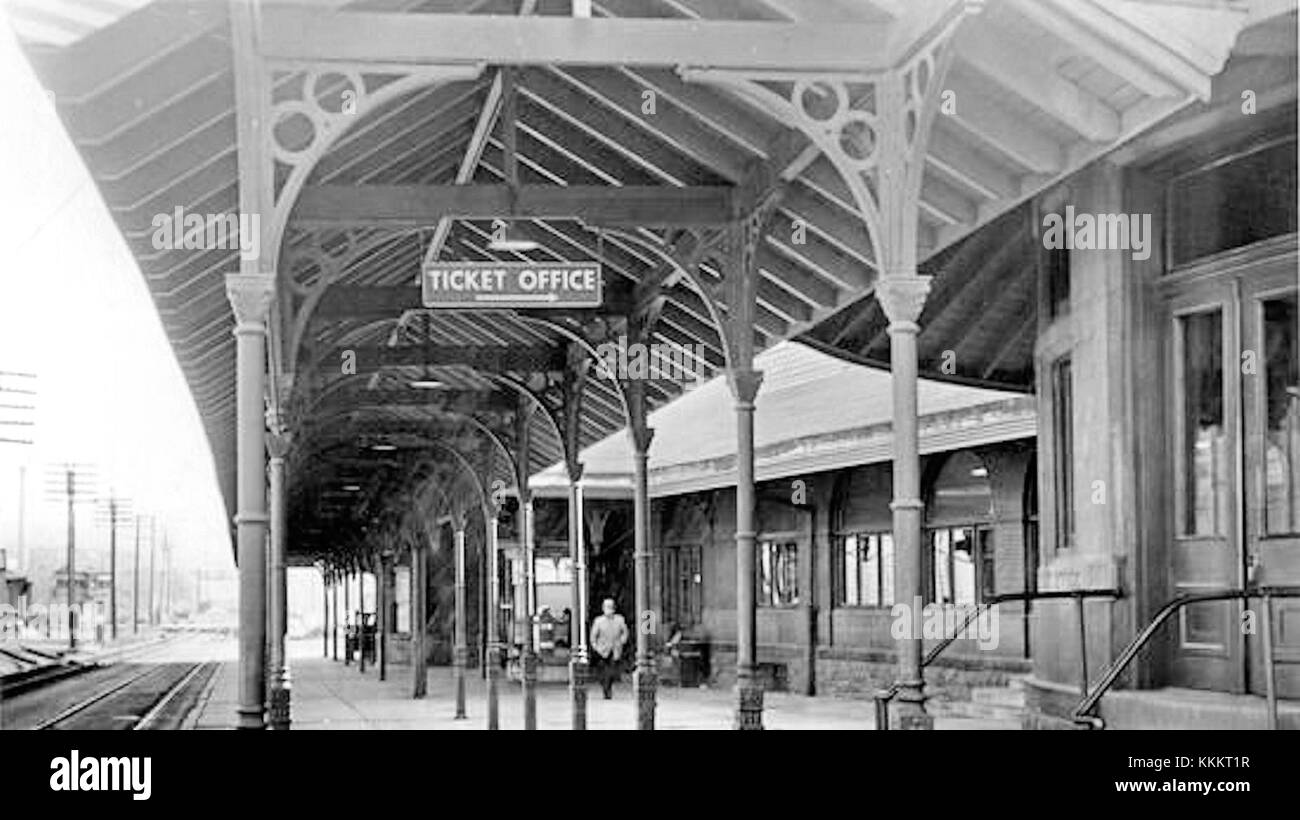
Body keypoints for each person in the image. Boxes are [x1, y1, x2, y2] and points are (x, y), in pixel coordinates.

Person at [589, 598, 629, 699]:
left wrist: (622, 641)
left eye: (611, 607)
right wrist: (596, 648)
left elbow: (624, 632)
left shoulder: (619, 619)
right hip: (602, 650)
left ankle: (608, 687)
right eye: (607, 607)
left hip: (615, 649)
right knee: (603, 671)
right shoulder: (598, 621)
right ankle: (606, 689)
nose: (609, 609)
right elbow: (593, 637)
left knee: (612, 671)